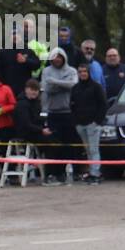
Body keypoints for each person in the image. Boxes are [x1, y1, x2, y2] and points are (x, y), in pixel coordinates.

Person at [40, 46, 78, 184]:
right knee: (53, 145)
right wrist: (63, 83)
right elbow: (46, 88)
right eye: (54, 57)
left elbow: (73, 85)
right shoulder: (46, 71)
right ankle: (52, 173)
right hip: (52, 113)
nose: (57, 59)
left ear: (64, 58)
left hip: (68, 112)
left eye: (59, 57)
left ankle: (65, 172)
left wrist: (55, 82)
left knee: (69, 144)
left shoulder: (71, 71)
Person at [70, 61, 108, 184]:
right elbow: (72, 105)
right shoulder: (75, 88)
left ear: (89, 72)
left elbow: (103, 105)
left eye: (85, 71)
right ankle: (92, 171)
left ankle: (95, 173)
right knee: (87, 150)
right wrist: (75, 122)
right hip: (80, 124)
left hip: (93, 124)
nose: (82, 74)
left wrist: (97, 121)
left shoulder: (96, 87)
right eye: (80, 72)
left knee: (94, 149)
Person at [0, 26, 41, 96]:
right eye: (13, 34)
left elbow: (37, 65)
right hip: (7, 90)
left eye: (18, 34)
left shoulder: (27, 50)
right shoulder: (3, 52)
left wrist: (26, 61)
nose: (15, 36)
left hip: (24, 91)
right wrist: (1, 87)